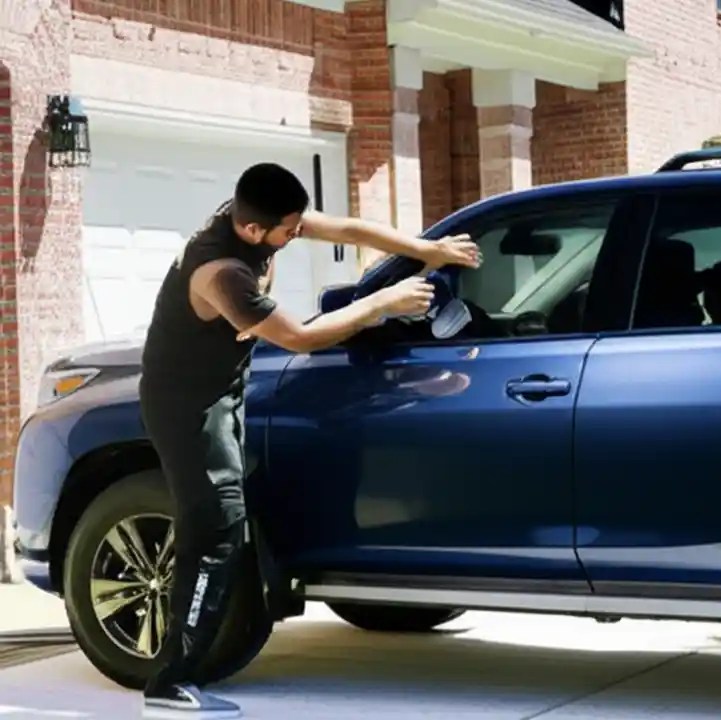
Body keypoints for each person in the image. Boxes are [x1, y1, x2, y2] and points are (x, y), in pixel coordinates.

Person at [138, 162, 480, 719]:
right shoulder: (221, 273)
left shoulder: (257, 217)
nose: (298, 234)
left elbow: (346, 229)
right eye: (289, 230)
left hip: (222, 389)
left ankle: (190, 642)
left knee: (220, 520)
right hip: (187, 409)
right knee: (219, 529)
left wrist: (429, 248)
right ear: (254, 231)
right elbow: (299, 338)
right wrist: (382, 304)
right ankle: (169, 681)